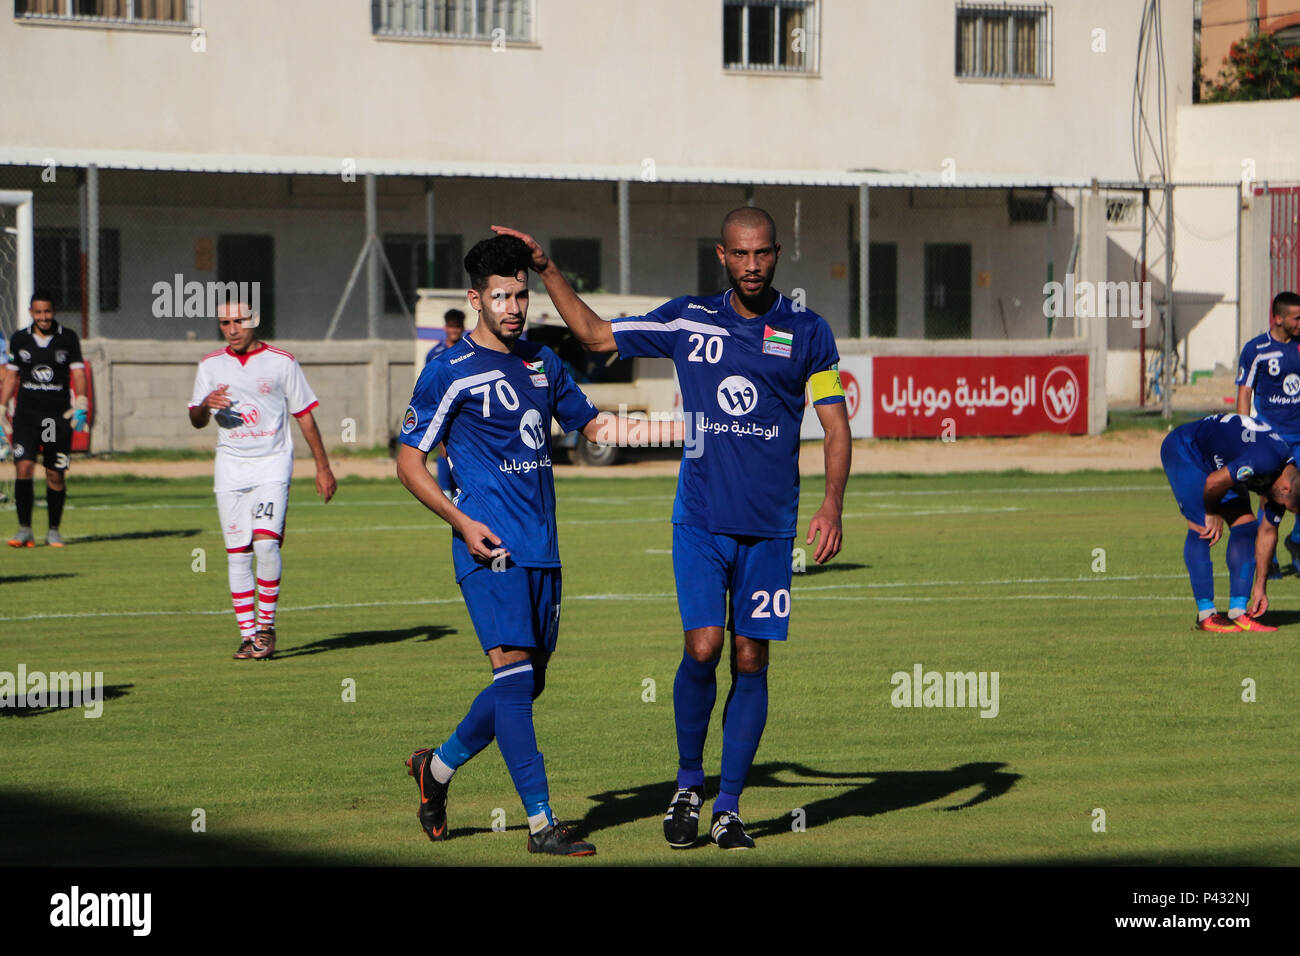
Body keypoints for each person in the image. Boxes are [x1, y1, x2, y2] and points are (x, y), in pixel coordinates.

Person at [493, 208, 852, 850]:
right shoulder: (690, 320)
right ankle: (688, 786)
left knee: (752, 657)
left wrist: (831, 506)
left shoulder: (807, 332)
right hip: (701, 520)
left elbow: (834, 424)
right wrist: (546, 269)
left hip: (771, 529)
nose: (752, 265)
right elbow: (597, 334)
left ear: (778, 254)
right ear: (722, 255)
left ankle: (731, 808)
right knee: (705, 648)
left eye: (763, 254)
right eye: (740, 255)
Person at [396, 234, 678, 857]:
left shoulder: (545, 363)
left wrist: (691, 427)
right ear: (476, 299)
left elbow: (595, 425)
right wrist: (461, 523)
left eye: (521, 295)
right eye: (501, 296)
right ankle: (542, 823)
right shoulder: (449, 369)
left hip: (543, 550)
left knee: (525, 684)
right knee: (515, 680)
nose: (515, 306)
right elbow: (409, 462)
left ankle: (435, 770)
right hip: (488, 546)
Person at [187, 300, 336, 661]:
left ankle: (266, 628)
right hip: (230, 469)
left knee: (266, 546)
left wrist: (322, 466)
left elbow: (304, 416)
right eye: (225, 322)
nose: (232, 329)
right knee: (237, 554)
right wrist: (205, 404)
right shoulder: (210, 365)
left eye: (238, 320)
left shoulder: (281, 362)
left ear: (254, 320)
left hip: (271, 465)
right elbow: (196, 419)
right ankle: (247, 635)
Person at [1159, 411, 1300, 632]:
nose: (1283, 510)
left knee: (1246, 527)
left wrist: (1260, 587)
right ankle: (1206, 615)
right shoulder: (1264, 461)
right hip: (1185, 451)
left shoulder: (1287, 474)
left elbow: (1268, 531)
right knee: (1203, 527)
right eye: (1288, 506)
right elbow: (1213, 483)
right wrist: (1212, 511)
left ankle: (1239, 612)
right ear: (1285, 489)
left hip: (1219, 465)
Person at [3, 291, 88, 548]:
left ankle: (53, 530)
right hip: (27, 416)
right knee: (23, 467)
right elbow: (10, 377)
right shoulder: (19, 339)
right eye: (38, 312)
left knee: (54, 474)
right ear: (31, 312)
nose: (43, 317)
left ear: (54, 312)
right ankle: (25, 529)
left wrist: (81, 401)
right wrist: (0, 407)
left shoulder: (68, 338)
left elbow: (79, 373)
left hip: (56, 418)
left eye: (47, 312)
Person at [1235, 291, 1300, 573]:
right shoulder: (1256, 349)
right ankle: (1269, 558)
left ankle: (1296, 542)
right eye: (1297, 317)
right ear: (1278, 318)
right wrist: (1242, 432)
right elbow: (1244, 391)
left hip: (1299, 436)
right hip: (1271, 437)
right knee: (1270, 495)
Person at [423, 309, 466, 495]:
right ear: (445, 328)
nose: (454, 330)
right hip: (442, 407)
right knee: (443, 448)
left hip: (465, 408)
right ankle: (446, 491)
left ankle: (463, 490)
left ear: (462, 328)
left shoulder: (469, 349)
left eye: (458, 327)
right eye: (452, 326)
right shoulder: (435, 354)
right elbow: (429, 384)